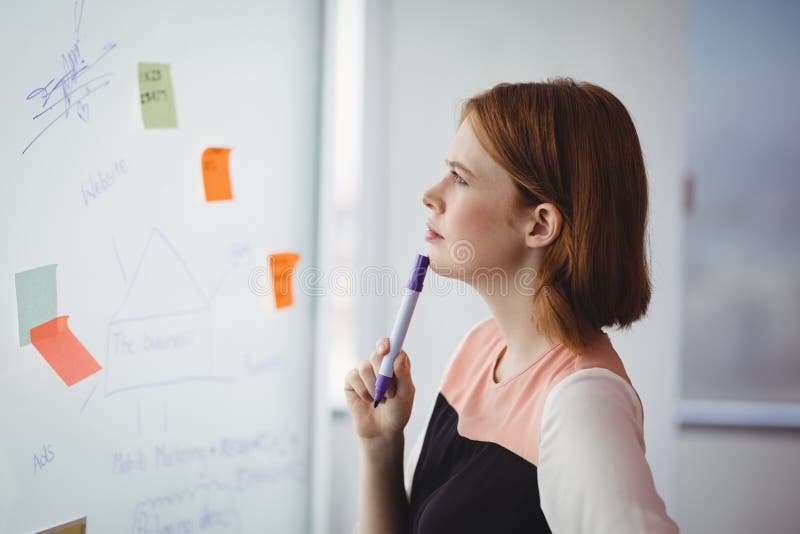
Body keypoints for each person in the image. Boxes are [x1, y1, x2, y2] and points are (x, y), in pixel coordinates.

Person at [344, 79, 680, 533]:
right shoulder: (479, 350)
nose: (431, 194)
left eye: (460, 178)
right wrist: (381, 445)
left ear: (539, 224)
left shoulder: (583, 403)